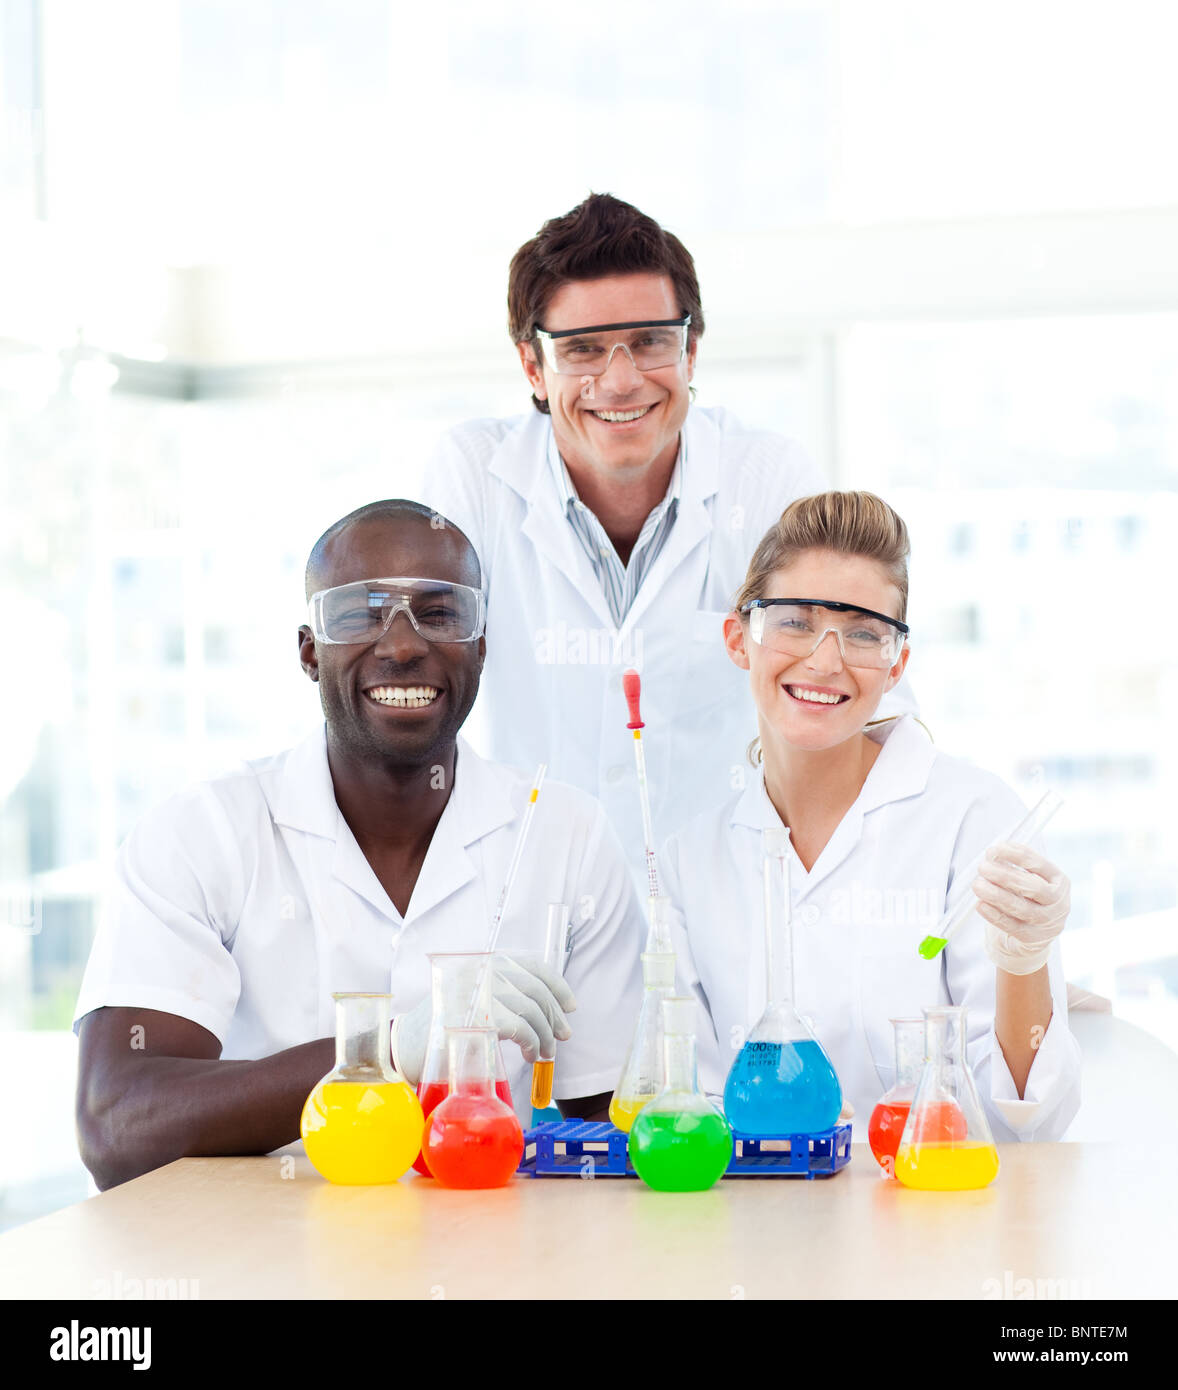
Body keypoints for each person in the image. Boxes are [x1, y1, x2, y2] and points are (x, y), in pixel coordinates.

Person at [74, 500, 644, 1190]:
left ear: (482, 648)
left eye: (440, 614)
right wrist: (384, 1055)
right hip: (261, 1264)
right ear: (310, 652)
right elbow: (117, 1124)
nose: (402, 646)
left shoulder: (566, 837)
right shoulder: (202, 834)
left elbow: (606, 1144)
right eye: (360, 613)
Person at [421, 193, 917, 885]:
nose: (620, 381)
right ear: (534, 368)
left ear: (690, 351)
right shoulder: (476, 476)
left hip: (729, 902)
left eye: (652, 341)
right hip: (537, 901)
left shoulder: (764, 479)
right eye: (583, 350)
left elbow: (865, 693)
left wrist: (934, 861)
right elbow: (409, 682)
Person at [660, 491, 1080, 1140]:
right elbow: (689, 1107)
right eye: (795, 621)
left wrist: (1023, 961)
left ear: (896, 664)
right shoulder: (693, 859)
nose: (825, 661)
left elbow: (1028, 1124)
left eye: (862, 633)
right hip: (752, 1231)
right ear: (739, 639)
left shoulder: (971, 818)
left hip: (934, 1223)